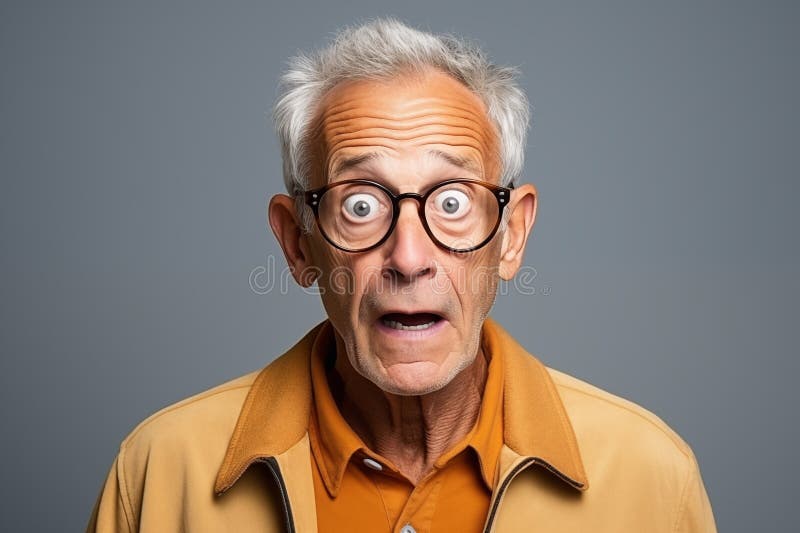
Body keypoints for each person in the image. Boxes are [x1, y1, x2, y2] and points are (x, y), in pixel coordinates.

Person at [88, 18, 717, 533]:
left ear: (512, 234)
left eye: (452, 202)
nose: (410, 258)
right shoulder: (159, 473)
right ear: (296, 242)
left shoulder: (650, 476)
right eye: (360, 204)